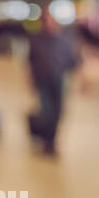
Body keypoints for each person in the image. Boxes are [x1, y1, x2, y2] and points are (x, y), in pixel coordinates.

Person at [27, 9, 78, 156]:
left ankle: (51, 141)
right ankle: (46, 139)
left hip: (59, 79)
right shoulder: (36, 39)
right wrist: (29, 79)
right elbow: (30, 61)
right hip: (42, 79)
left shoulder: (63, 40)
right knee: (46, 111)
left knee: (58, 112)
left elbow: (72, 61)